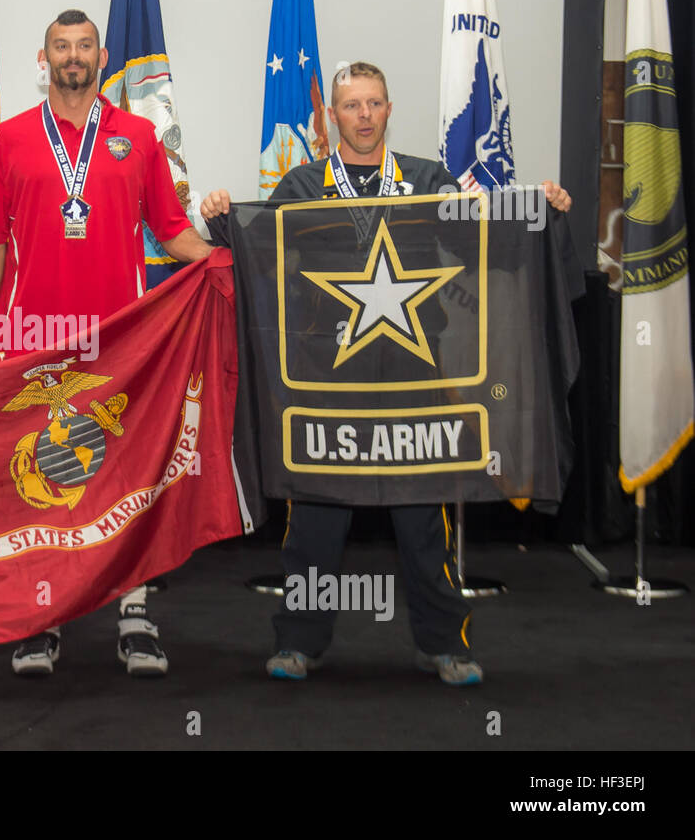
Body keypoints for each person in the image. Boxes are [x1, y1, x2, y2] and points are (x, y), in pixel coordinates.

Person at [200, 62, 572, 686]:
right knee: (315, 520)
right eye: (352, 105)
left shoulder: (428, 180)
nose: (364, 115)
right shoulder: (303, 185)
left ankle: (445, 645)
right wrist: (219, 218)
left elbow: (487, 242)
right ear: (333, 116)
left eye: (374, 103)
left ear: (390, 109)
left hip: (415, 382)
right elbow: (255, 253)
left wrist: (543, 213)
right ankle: (298, 642)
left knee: (425, 520)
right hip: (326, 385)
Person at [0, 9, 214, 678]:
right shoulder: (7, 139)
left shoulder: (138, 135)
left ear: (102, 57)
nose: (73, 57)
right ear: (42, 58)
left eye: (83, 47)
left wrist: (224, 260)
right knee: (45, 475)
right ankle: (42, 617)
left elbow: (171, 229)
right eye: (61, 47)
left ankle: (134, 615)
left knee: (127, 477)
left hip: (123, 341)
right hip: (33, 340)